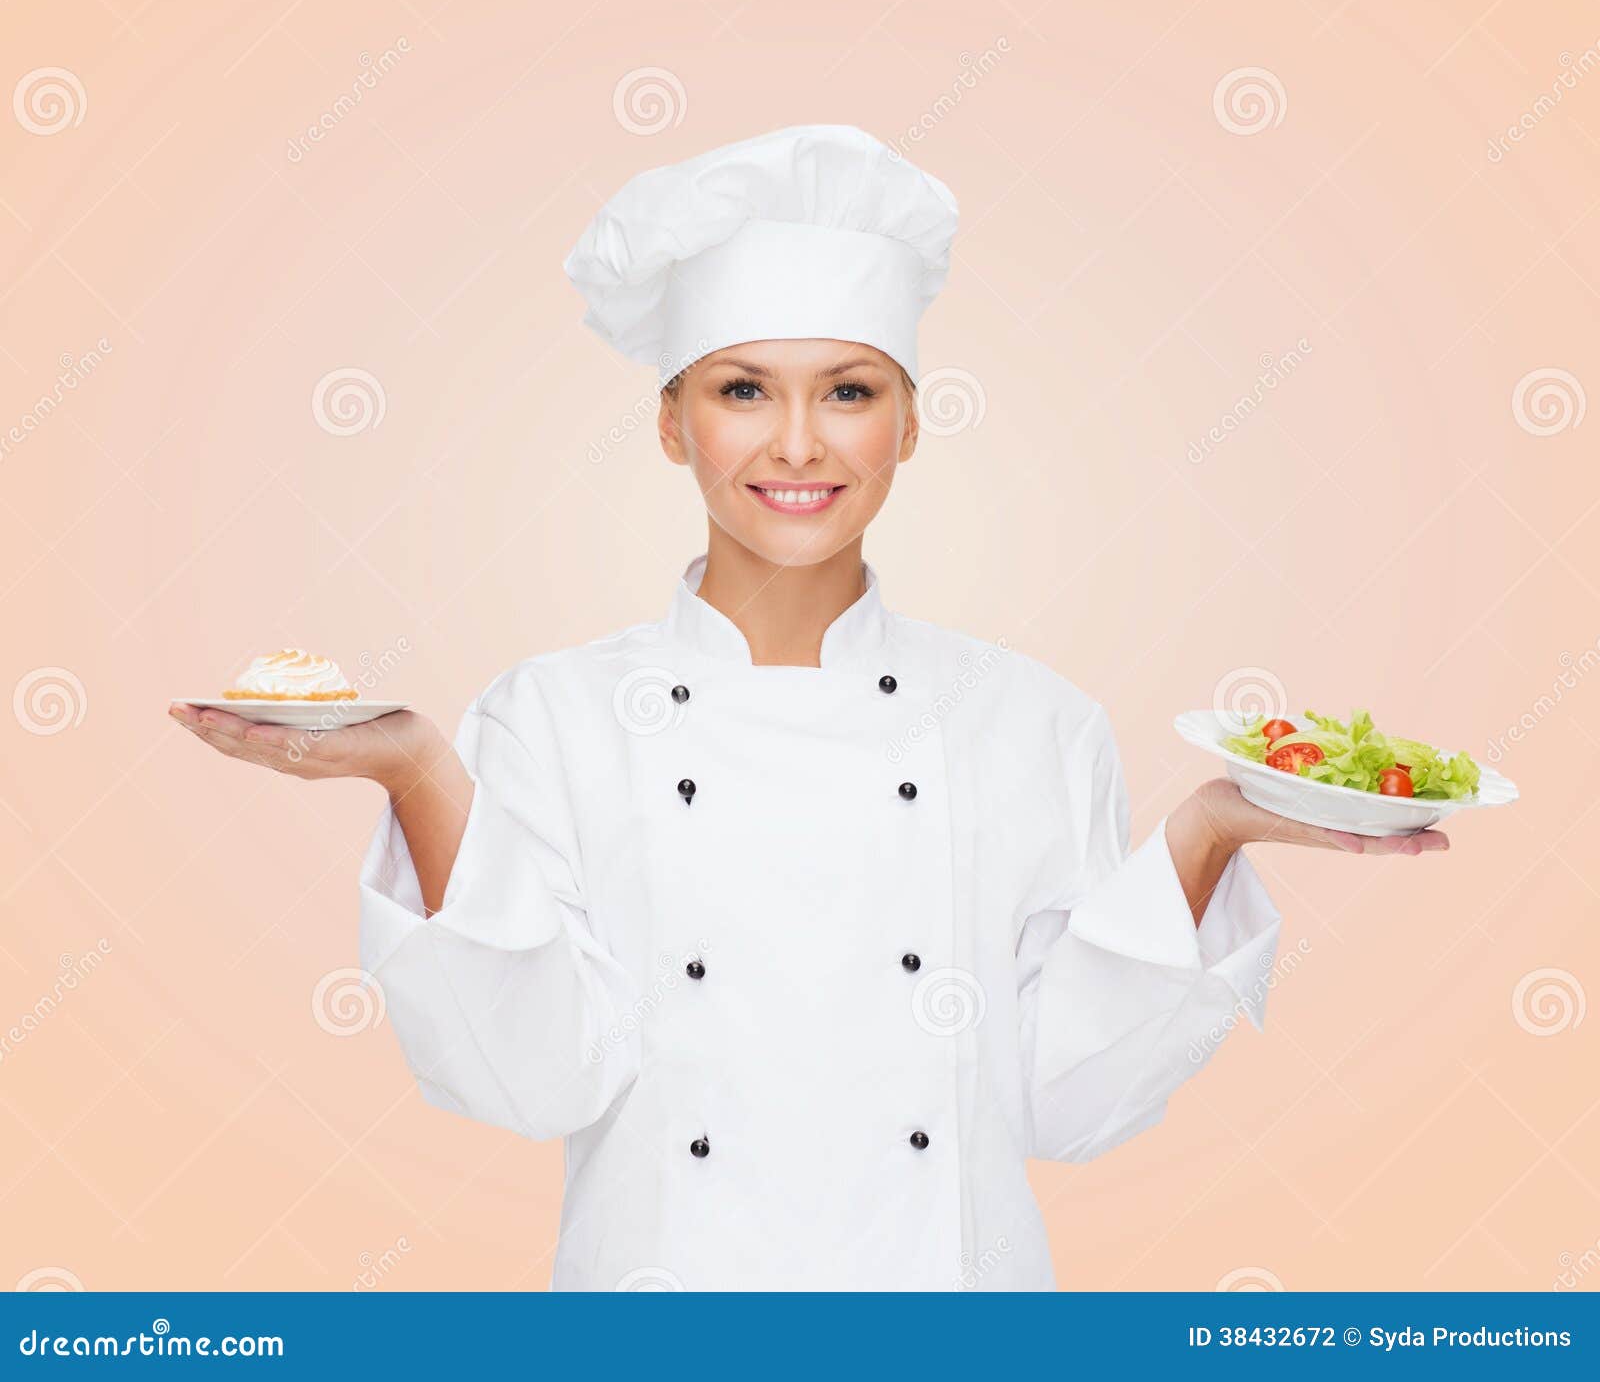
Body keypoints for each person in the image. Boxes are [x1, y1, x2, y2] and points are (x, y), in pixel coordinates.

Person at [170, 124, 1448, 1292]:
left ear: (910, 423)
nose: (796, 444)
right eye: (741, 390)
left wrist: (1205, 834)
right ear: (670, 424)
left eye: (848, 390)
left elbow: (1065, 1104)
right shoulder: (552, 714)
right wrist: (417, 773)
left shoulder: (1031, 719)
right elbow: (530, 1077)